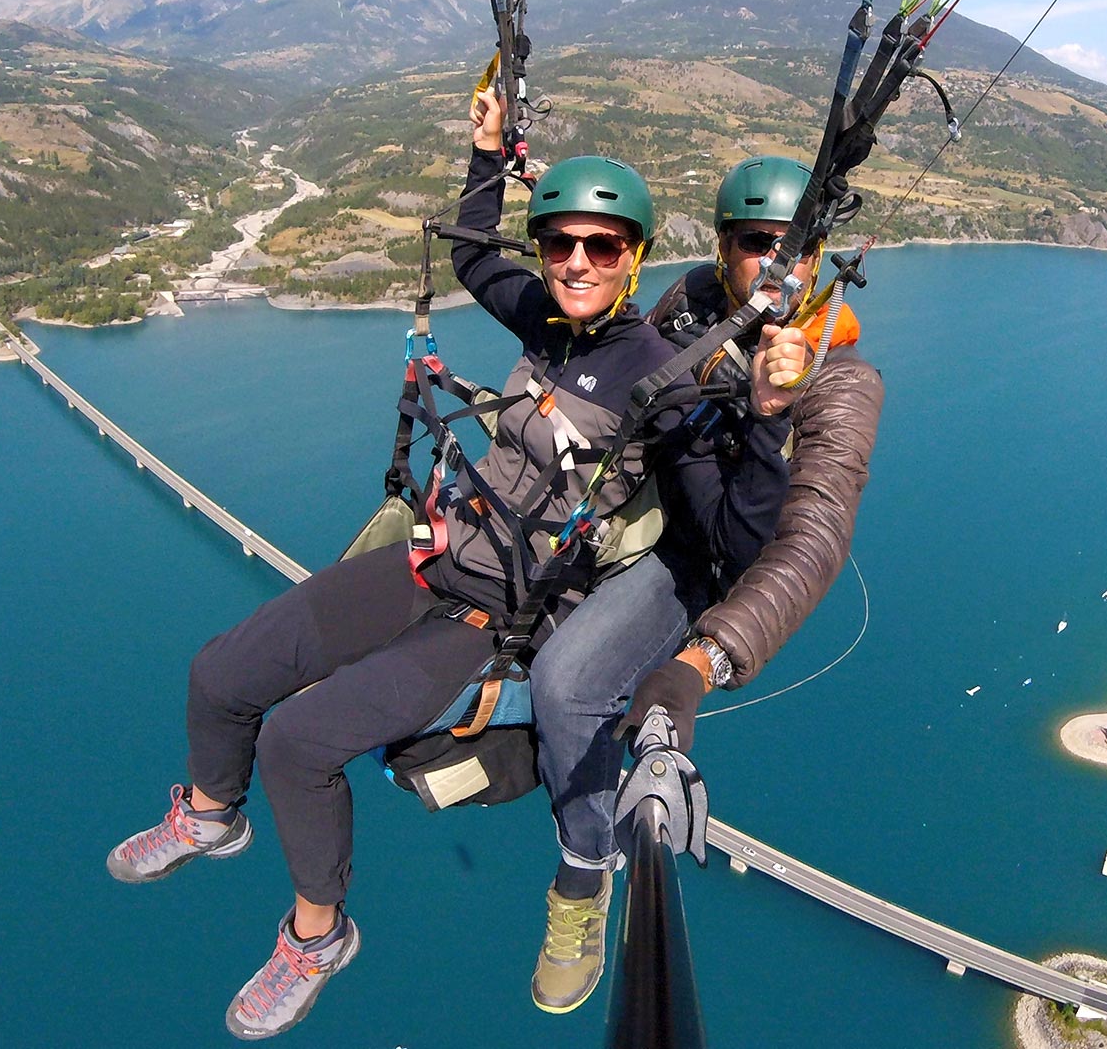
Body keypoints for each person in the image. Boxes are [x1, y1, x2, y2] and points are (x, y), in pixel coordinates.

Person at [105, 92, 795, 1040]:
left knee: (298, 743)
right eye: (559, 245)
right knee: (219, 674)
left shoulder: (658, 375)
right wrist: (484, 157)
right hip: (431, 560)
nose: (577, 263)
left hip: (493, 617)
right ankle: (211, 813)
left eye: (601, 246)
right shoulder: (548, 326)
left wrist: (764, 422)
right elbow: (474, 254)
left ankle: (315, 938)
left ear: (634, 256)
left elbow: (730, 538)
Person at [525, 154, 885, 1014]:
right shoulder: (689, 308)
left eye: (798, 248)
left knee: (567, 684)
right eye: (758, 243)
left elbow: (810, 544)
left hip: (702, 571)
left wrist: (704, 660)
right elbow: (623, 375)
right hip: (635, 513)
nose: (778, 266)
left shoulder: (841, 384)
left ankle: (584, 871)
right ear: (722, 248)